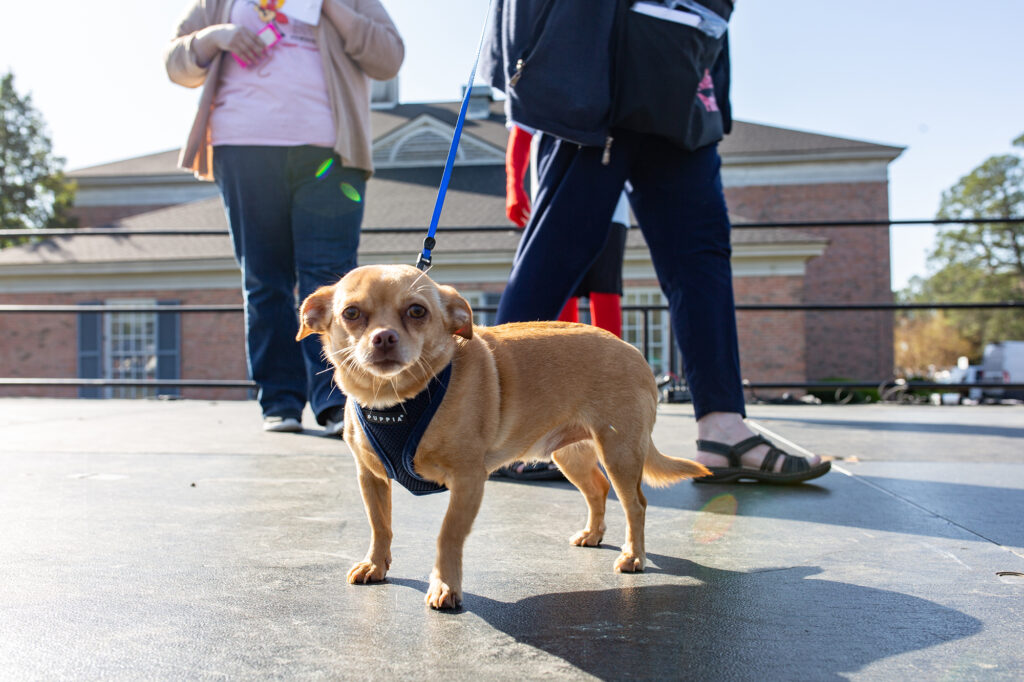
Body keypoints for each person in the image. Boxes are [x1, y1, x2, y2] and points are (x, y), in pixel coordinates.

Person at [484, 0, 830, 484]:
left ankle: (722, 424)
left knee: (701, 254)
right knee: (558, 249)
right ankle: (498, 426)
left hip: (683, 66)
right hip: (594, 64)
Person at [165, 0, 403, 434]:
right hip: (243, 147)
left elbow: (389, 58)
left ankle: (335, 400)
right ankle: (279, 401)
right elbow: (176, 62)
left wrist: (333, 7)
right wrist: (216, 36)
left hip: (331, 152)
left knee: (331, 279)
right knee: (264, 278)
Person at [495, 125, 630, 481]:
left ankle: (608, 394)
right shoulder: (548, 77)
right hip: (553, 201)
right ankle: (548, 409)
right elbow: (521, 131)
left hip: (613, 205)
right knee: (560, 296)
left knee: (606, 293)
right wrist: (514, 188)